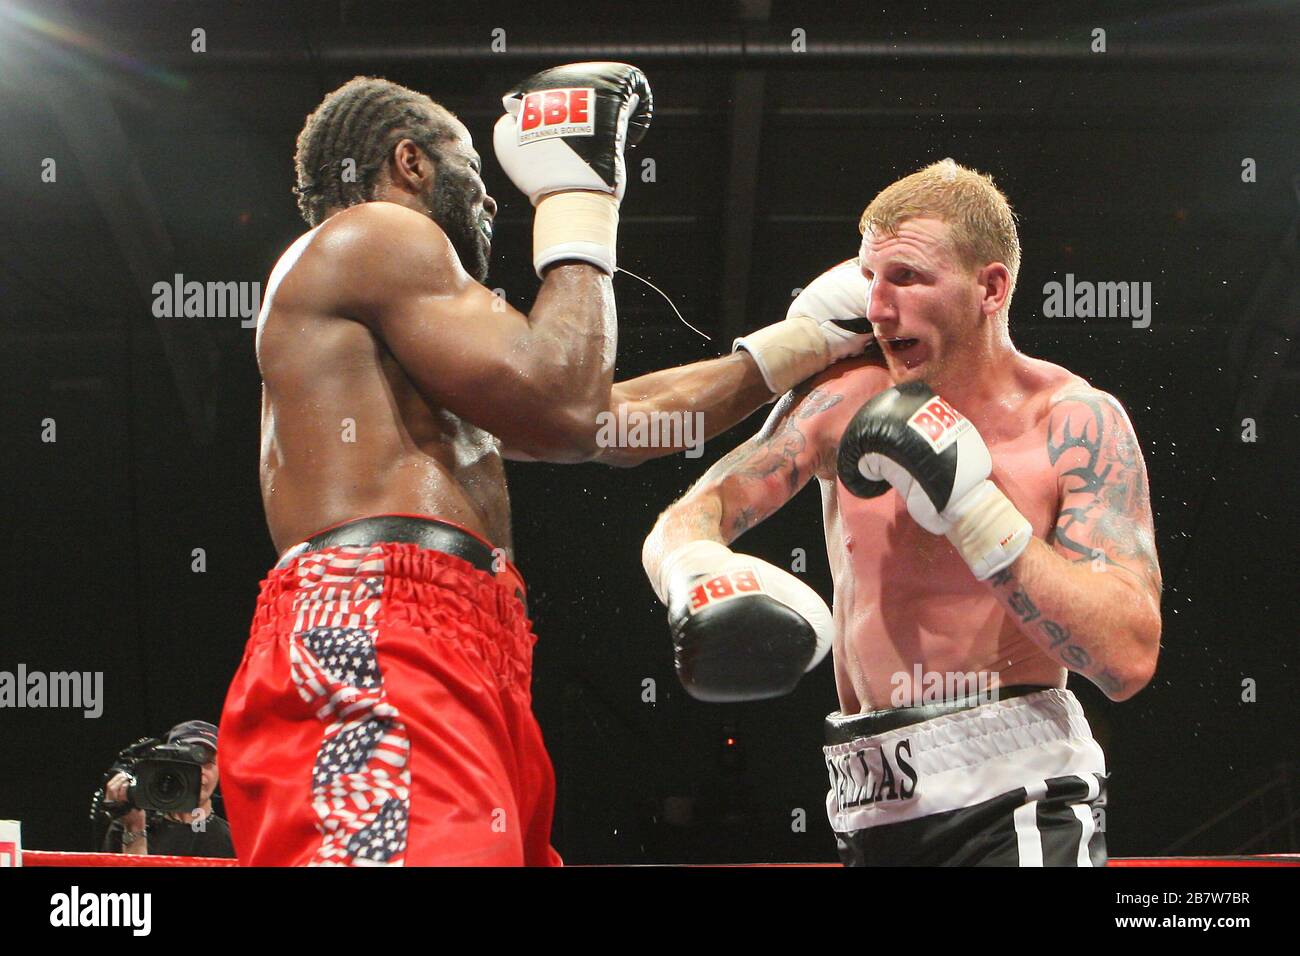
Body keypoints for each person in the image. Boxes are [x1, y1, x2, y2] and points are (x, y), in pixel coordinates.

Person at [220, 65, 872, 866]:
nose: (493, 197)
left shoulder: (405, 337)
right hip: (379, 632)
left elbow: (610, 422)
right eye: (470, 164)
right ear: (409, 162)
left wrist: (801, 343)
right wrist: (579, 200)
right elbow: (565, 410)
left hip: (460, 642)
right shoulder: (377, 233)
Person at [642, 159, 1162, 866]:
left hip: (1015, 783)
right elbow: (699, 508)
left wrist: (975, 509)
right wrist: (695, 568)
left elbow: (1127, 657)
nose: (879, 309)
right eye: (870, 279)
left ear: (991, 286)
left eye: (908, 279)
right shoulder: (847, 398)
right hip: (867, 794)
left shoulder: (1073, 423)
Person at [102, 720, 235, 858]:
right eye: (189, 760)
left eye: (208, 761)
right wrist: (135, 830)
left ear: (221, 768)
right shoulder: (128, 825)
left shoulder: (234, 841)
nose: (199, 770)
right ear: (170, 763)